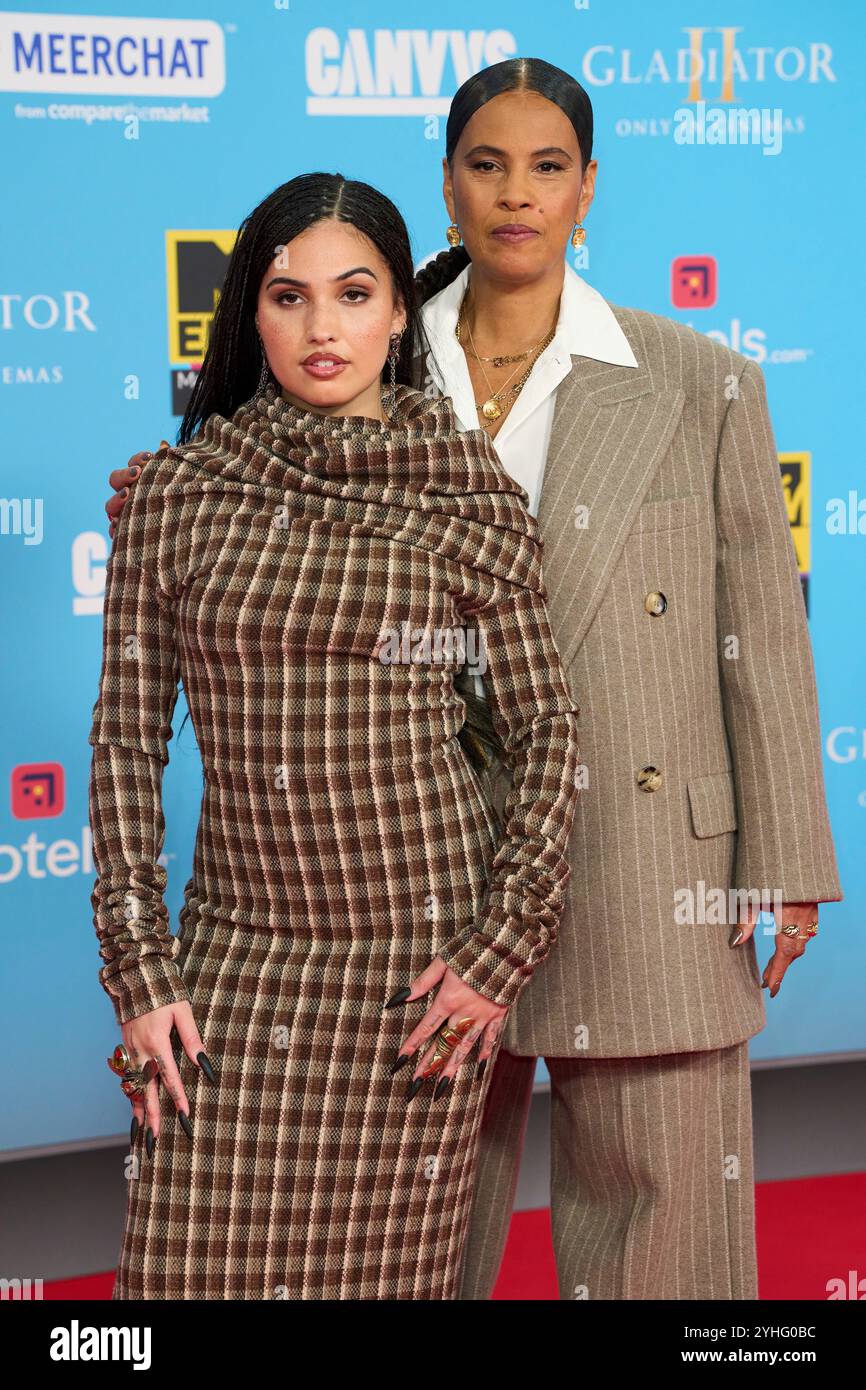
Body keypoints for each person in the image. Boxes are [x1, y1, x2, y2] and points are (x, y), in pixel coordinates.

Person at [105, 59, 843, 1302]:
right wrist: (185, 492)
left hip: (637, 855)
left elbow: (760, 633)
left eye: (547, 165)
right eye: (484, 164)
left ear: (587, 186)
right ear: (442, 188)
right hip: (417, 889)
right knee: (420, 1254)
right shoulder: (384, 350)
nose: (516, 194)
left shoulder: (695, 375)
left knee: (663, 1252)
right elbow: (257, 497)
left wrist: (783, 855)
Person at [88, 171, 581, 1299]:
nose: (323, 329)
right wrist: (141, 969)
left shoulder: (467, 494)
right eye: (288, 296)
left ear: (400, 312)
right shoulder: (173, 496)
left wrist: (497, 953)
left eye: (354, 294)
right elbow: (124, 743)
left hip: (418, 972)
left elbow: (547, 731)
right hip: (232, 961)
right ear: (248, 315)